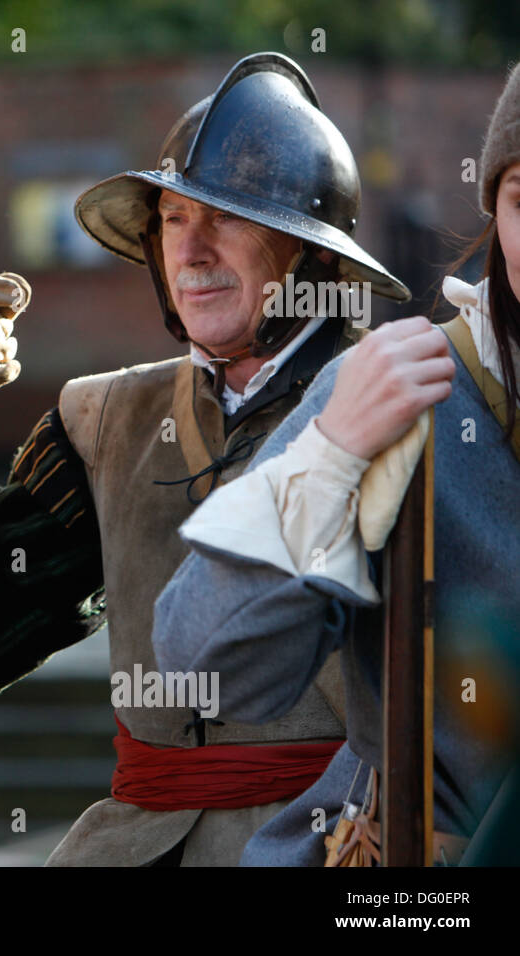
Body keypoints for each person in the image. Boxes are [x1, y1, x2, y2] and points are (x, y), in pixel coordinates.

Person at [0, 52, 410, 866]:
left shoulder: (409, 404)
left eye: (227, 217)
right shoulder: (104, 419)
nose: (190, 251)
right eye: (172, 218)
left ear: (314, 255)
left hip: (343, 848)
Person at [152, 62, 520, 866]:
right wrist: (329, 454)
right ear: (493, 209)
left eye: (227, 221)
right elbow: (202, 666)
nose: (194, 250)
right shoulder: (408, 395)